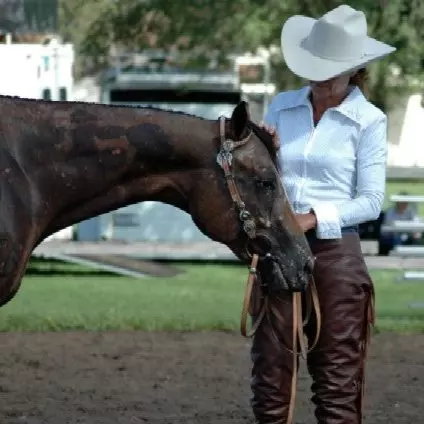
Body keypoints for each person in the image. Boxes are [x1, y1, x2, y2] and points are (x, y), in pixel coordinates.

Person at [249, 4, 396, 424]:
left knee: (337, 383)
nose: (322, 75)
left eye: (333, 66)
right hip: (279, 250)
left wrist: (311, 217)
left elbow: (371, 201)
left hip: (336, 255)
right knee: (270, 378)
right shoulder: (282, 106)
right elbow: (267, 181)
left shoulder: (368, 120)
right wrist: (265, 152)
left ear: (356, 68)